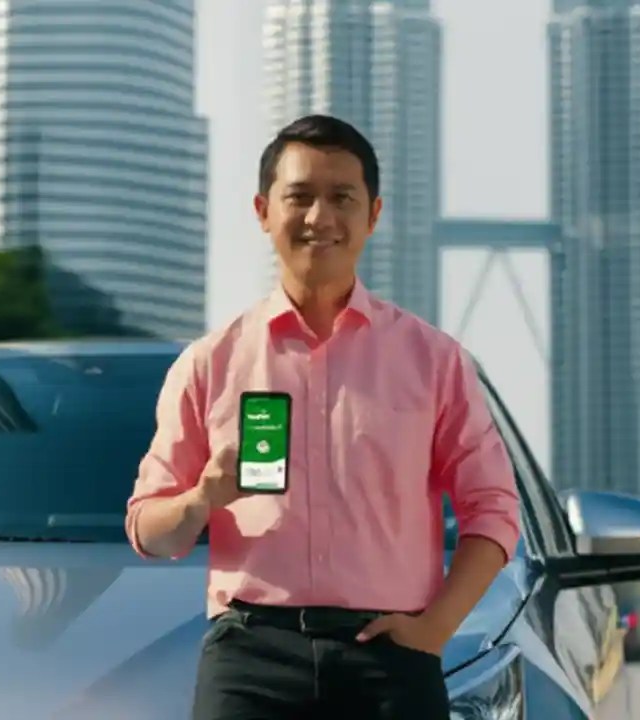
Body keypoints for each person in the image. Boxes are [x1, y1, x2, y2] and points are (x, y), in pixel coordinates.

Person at [124, 114, 522, 718]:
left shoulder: (435, 361)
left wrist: (435, 630)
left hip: (389, 657)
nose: (319, 217)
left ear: (374, 214)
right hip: (251, 659)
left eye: (341, 197)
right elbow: (149, 530)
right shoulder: (211, 362)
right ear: (263, 211)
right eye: (300, 197)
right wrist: (201, 498)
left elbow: (493, 508)